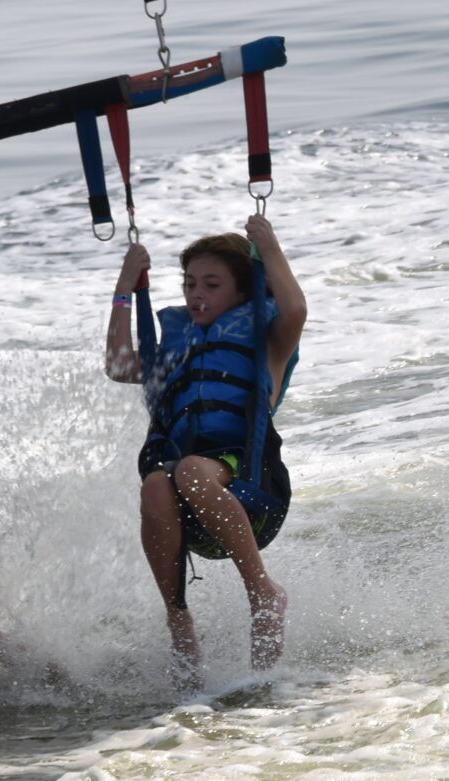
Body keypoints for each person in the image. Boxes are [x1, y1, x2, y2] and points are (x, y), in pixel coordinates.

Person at [105, 216, 308, 673]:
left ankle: (262, 592)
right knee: (155, 484)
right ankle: (178, 619)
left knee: (191, 470)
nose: (196, 294)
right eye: (190, 284)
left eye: (212, 285)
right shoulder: (174, 352)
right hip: (191, 514)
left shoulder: (266, 342)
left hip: (252, 487)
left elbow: (295, 310)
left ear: (242, 292)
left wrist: (269, 248)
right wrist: (124, 287)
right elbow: (118, 365)